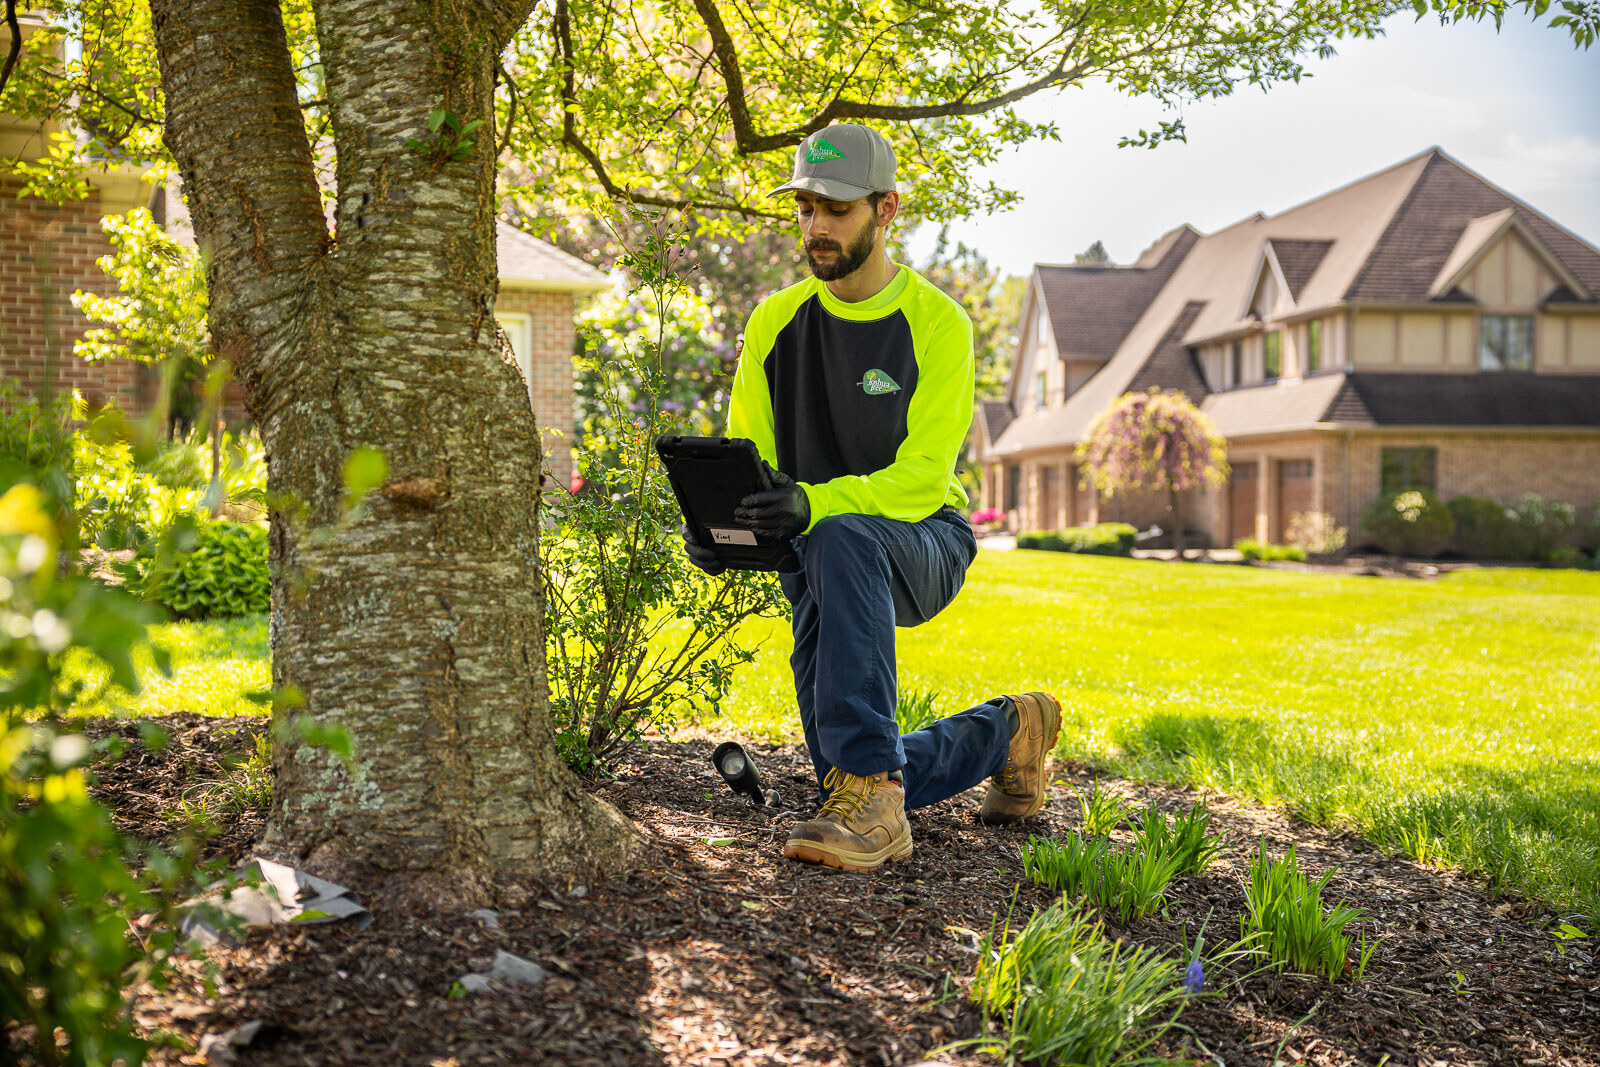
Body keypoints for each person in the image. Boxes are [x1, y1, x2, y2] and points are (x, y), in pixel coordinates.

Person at [682, 123, 1060, 873]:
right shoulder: (774, 321)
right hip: (817, 550)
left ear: (887, 210)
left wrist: (815, 507)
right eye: (804, 209)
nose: (815, 227)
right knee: (849, 774)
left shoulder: (937, 323)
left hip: (923, 540)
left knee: (844, 533)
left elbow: (923, 475)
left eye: (836, 209)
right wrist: (724, 532)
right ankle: (1008, 731)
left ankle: (877, 802)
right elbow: (752, 462)